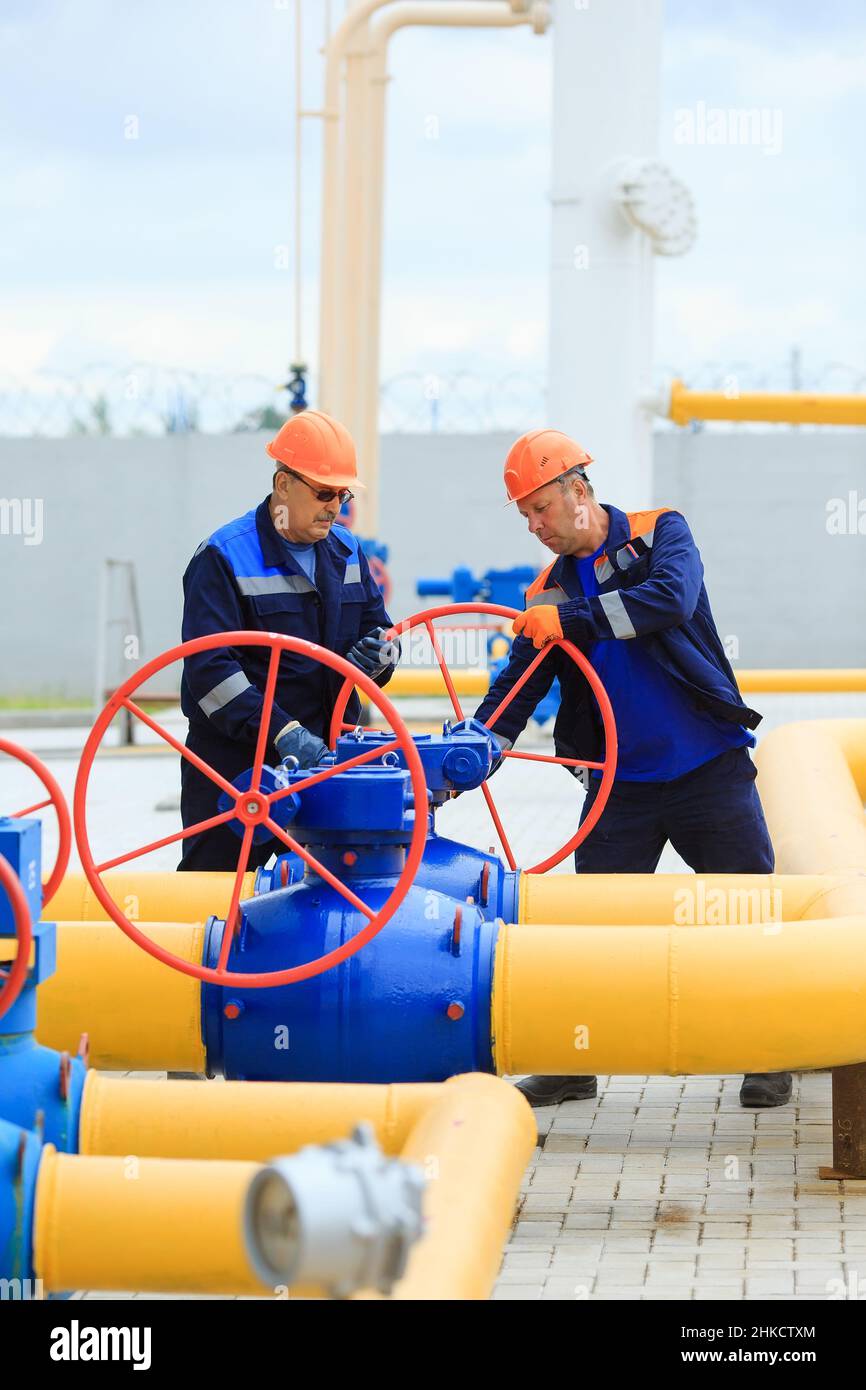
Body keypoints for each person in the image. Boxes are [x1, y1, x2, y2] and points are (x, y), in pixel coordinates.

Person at [474, 428, 789, 1110]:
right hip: (620, 785)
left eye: (541, 508)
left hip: (708, 763)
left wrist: (573, 620)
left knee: (747, 908)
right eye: (524, 515)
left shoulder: (660, 535)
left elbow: (667, 602)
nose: (534, 525)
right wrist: (472, 745)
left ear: (579, 491)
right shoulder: (547, 591)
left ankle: (772, 1051)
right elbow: (520, 681)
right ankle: (573, 1061)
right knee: (593, 927)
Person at [177, 409, 398, 871]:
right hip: (237, 774)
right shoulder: (223, 556)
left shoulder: (348, 551)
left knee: (328, 903)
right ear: (283, 485)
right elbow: (211, 673)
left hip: (327, 763)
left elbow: (382, 631)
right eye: (322, 493)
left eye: (341, 494)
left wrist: (379, 657)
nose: (334, 507)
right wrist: (283, 732)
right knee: (216, 895)